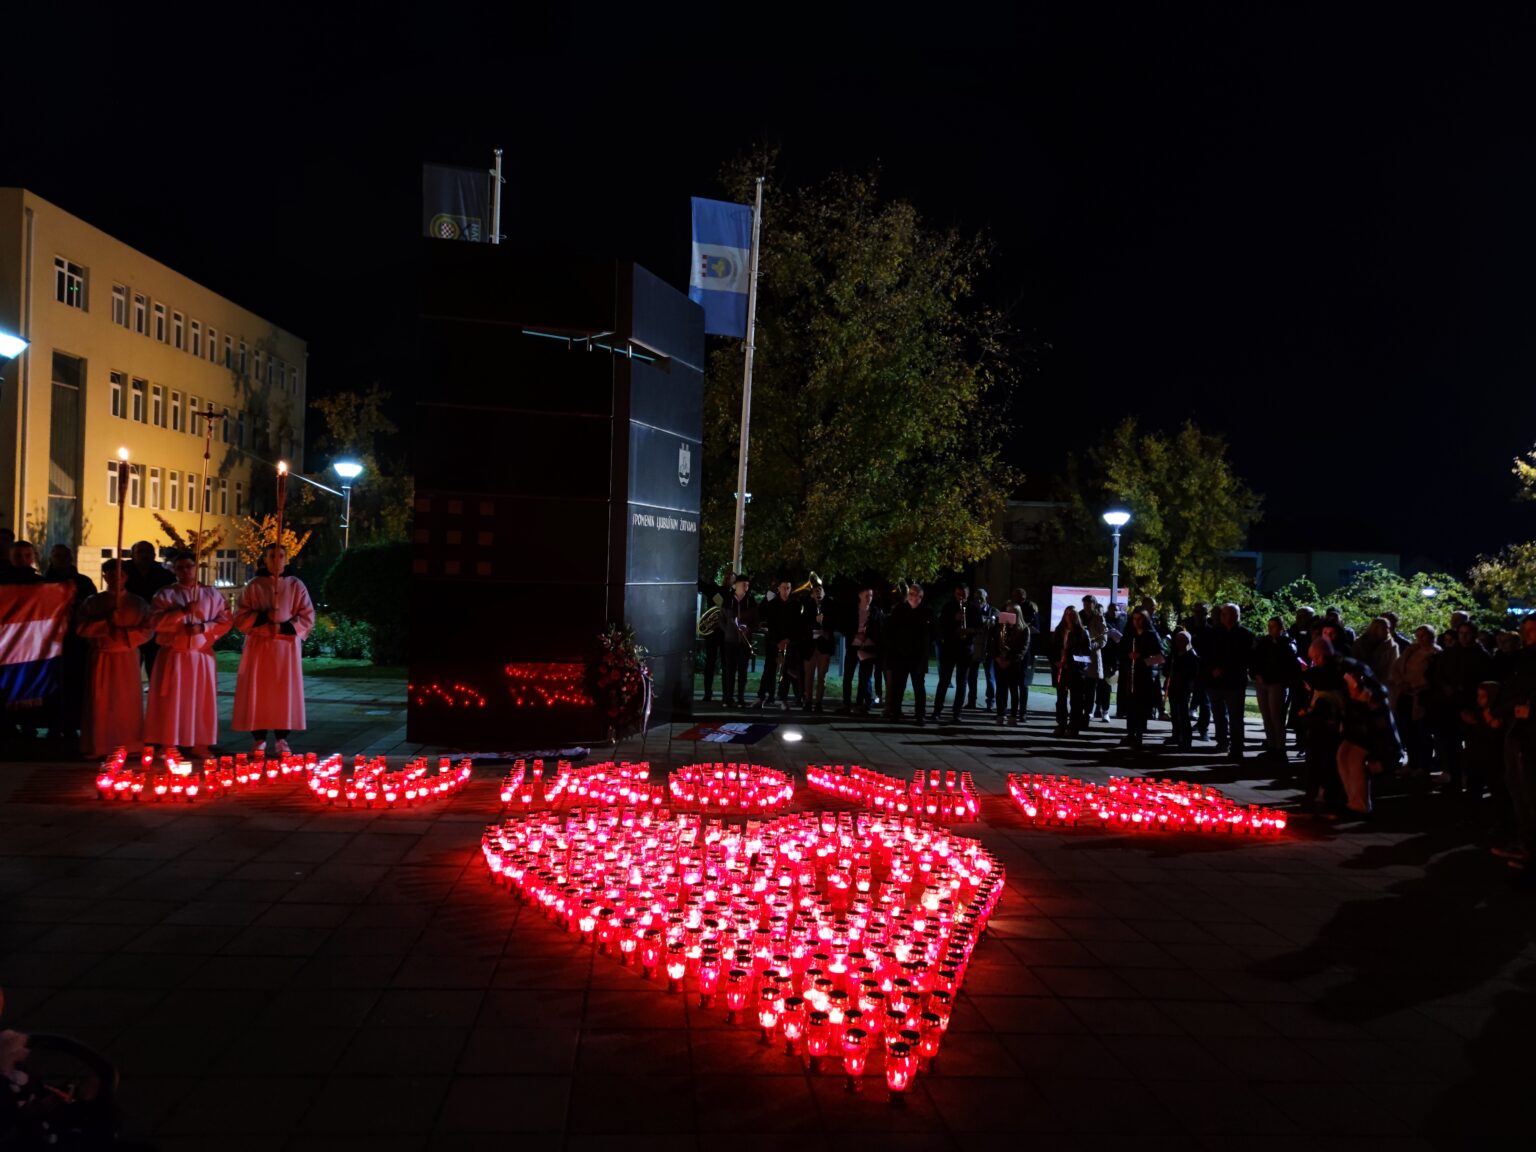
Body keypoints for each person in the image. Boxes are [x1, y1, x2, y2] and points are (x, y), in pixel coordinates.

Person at [144, 552, 232, 760]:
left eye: (188, 566)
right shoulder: (165, 594)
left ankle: (200, 743)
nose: (185, 571)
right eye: (180, 567)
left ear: (196, 568)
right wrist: (181, 612)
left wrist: (204, 627)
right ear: (174, 569)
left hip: (200, 657)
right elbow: (154, 622)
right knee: (173, 700)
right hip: (174, 656)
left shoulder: (211, 594)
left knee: (201, 700)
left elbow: (226, 621)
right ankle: (169, 743)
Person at [233, 544, 315, 756]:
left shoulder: (296, 585)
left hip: (284, 648)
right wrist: (262, 618)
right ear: (265, 559)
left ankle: (281, 739)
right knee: (257, 691)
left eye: (281, 556)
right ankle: (259, 739)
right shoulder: (254, 585)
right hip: (259, 647)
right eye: (272, 556)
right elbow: (241, 616)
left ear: (287, 560)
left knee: (283, 692)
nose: (277, 560)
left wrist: (284, 626)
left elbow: (307, 616)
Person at [75, 560, 153, 759]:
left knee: (126, 702)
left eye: (120, 574)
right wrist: (105, 621)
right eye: (110, 574)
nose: (115, 578)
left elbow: (147, 630)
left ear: (126, 577)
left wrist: (125, 632)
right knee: (99, 701)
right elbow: (81, 628)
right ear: (104, 576)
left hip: (126, 656)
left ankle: (129, 743)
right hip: (102, 656)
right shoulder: (92, 602)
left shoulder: (138, 603)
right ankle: (98, 745)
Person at [43, 546, 97, 743]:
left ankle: (73, 725)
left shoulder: (83, 582)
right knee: (51, 685)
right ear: (50, 558)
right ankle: (52, 725)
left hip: (76, 641)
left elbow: (93, 607)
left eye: (65, 555)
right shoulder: (43, 582)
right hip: (48, 643)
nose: (61, 559)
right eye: (57, 555)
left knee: (75, 684)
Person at [1336, 661, 1403, 818]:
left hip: (1379, 743)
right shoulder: (1352, 698)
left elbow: (1378, 730)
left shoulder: (1371, 699)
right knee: (1343, 753)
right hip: (1360, 737)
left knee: (1355, 757)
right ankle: (1351, 799)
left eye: (1350, 682)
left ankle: (1360, 805)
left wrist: (1377, 755)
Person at [1203, 603, 1255, 760]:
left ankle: (1237, 746)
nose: (1225, 617)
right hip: (1216, 680)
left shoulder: (1245, 634)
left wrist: (1224, 668)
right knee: (1218, 713)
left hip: (1234, 680)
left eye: (1230, 614)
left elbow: (1243, 657)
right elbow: (1208, 654)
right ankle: (1222, 741)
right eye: (1224, 614)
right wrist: (1213, 668)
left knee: (1235, 715)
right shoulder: (1215, 633)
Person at [1252, 616, 1299, 759]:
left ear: (1281, 628)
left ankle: (1280, 748)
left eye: (1273, 626)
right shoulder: (1263, 642)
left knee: (1276, 716)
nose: (1270, 629)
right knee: (1266, 716)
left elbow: (1289, 663)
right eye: (1269, 626)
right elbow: (1254, 659)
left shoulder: (1287, 643)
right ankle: (1272, 745)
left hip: (1277, 683)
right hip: (1262, 682)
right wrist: (1256, 674)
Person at [884, 582, 931, 725]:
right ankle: (895, 713)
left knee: (919, 687)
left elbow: (932, 633)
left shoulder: (926, 612)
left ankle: (920, 715)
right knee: (898, 686)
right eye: (910, 594)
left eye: (915, 594)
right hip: (901, 654)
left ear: (920, 597)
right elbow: (890, 629)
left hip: (918, 656)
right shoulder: (900, 609)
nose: (911, 597)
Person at [124, 541, 174, 675]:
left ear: (154, 555)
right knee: (130, 669)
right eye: (141, 552)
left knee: (156, 668)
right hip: (132, 626)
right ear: (132, 555)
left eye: (148, 552)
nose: (145, 555)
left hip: (156, 626)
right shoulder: (124, 571)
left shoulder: (165, 573)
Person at [933, 584, 979, 723]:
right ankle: (937, 710)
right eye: (958, 594)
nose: (961, 597)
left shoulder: (973, 608)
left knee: (962, 681)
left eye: (963, 594)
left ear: (968, 594)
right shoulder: (948, 607)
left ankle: (957, 712)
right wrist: (954, 619)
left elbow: (979, 627)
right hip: (950, 648)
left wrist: (968, 631)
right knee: (944, 680)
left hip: (965, 649)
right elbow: (941, 626)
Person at [755, 575, 800, 711]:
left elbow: (797, 625)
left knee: (785, 672)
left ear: (790, 589)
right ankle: (762, 696)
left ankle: (782, 698)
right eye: (783, 588)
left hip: (789, 643)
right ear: (779, 589)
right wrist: (778, 642)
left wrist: (788, 640)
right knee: (769, 669)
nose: (786, 591)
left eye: (788, 588)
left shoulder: (795, 605)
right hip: (774, 642)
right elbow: (771, 624)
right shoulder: (772, 604)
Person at [1121, 608, 1164, 750]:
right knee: (1130, 706)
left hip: (1144, 676)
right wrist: (1128, 656)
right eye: (1134, 619)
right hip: (1131, 674)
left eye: (1139, 619)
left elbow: (1160, 657)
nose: (1137, 622)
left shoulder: (1151, 635)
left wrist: (1142, 658)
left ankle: (1138, 735)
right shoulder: (1129, 634)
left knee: (1140, 707)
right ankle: (1130, 733)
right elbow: (1121, 651)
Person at [840, 581, 883, 715]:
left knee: (865, 677)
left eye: (870, 595)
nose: (869, 598)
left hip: (868, 647)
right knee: (848, 675)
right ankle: (846, 703)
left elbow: (879, 629)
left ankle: (862, 703)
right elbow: (845, 626)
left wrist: (869, 635)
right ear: (860, 596)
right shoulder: (852, 610)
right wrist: (855, 634)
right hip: (853, 646)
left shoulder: (875, 611)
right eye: (866, 595)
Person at [1050, 605, 1091, 736]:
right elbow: (1051, 651)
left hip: (1075, 672)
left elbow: (1087, 656)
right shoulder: (1059, 630)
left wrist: (1072, 661)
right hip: (1061, 670)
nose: (1070, 616)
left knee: (1076, 700)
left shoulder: (1082, 632)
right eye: (1067, 614)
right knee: (1061, 699)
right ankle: (1061, 724)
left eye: (1072, 614)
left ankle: (1073, 726)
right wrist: (1056, 661)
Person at [717, 573, 756, 708]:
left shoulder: (751, 601)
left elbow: (756, 621)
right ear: (736, 586)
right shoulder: (728, 600)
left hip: (744, 642)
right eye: (743, 584)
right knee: (729, 671)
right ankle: (727, 698)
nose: (746, 587)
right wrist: (727, 631)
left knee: (743, 671)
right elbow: (721, 619)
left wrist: (748, 628)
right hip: (730, 641)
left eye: (747, 584)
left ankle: (740, 698)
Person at [798, 575, 836, 714]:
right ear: (812, 593)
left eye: (820, 590)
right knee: (808, 676)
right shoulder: (807, 605)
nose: (818, 593)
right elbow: (802, 625)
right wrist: (814, 620)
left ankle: (818, 702)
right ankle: (808, 701)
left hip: (823, 646)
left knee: (822, 676)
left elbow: (834, 624)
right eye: (815, 591)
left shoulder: (830, 605)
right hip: (810, 646)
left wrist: (824, 622)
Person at [989, 603, 1030, 726]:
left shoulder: (1024, 629)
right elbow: (992, 645)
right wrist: (997, 658)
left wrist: (1010, 661)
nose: (1009, 615)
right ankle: (1000, 713)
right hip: (999, 662)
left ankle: (1013, 715)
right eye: (1007, 612)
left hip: (1014, 664)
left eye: (1013, 613)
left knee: (1013, 690)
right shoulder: (999, 628)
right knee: (1001, 690)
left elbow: (1023, 649)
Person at [1163, 629, 1199, 749]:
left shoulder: (1191, 656)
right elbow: (1166, 668)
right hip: (1173, 685)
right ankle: (1176, 735)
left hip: (1184, 687)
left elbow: (1193, 673)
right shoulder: (1174, 654)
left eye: (1182, 640)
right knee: (1174, 712)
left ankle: (1186, 739)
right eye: (1177, 640)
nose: (1179, 643)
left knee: (1183, 713)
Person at [966, 587, 998, 710]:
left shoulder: (993, 611)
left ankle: (990, 702)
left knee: (990, 677)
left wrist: (989, 620)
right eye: (976, 598)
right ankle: (971, 701)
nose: (978, 600)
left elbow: (996, 622)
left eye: (981, 598)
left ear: (986, 598)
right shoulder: (971, 611)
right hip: (974, 648)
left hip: (988, 649)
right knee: (972, 676)